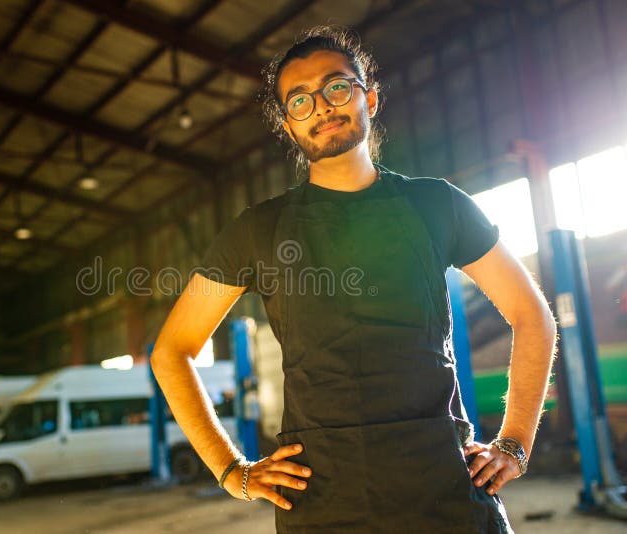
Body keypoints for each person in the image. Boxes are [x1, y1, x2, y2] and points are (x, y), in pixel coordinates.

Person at [150, 26, 557, 533]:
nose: (321, 106)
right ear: (288, 125)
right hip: (322, 500)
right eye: (299, 101)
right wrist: (232, 469)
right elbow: (172, 352)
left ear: (371, 97)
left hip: (443, 489)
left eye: (336, 87)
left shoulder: (436, 204)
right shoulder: (258, 231)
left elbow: (531, 314)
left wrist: (514, 441)